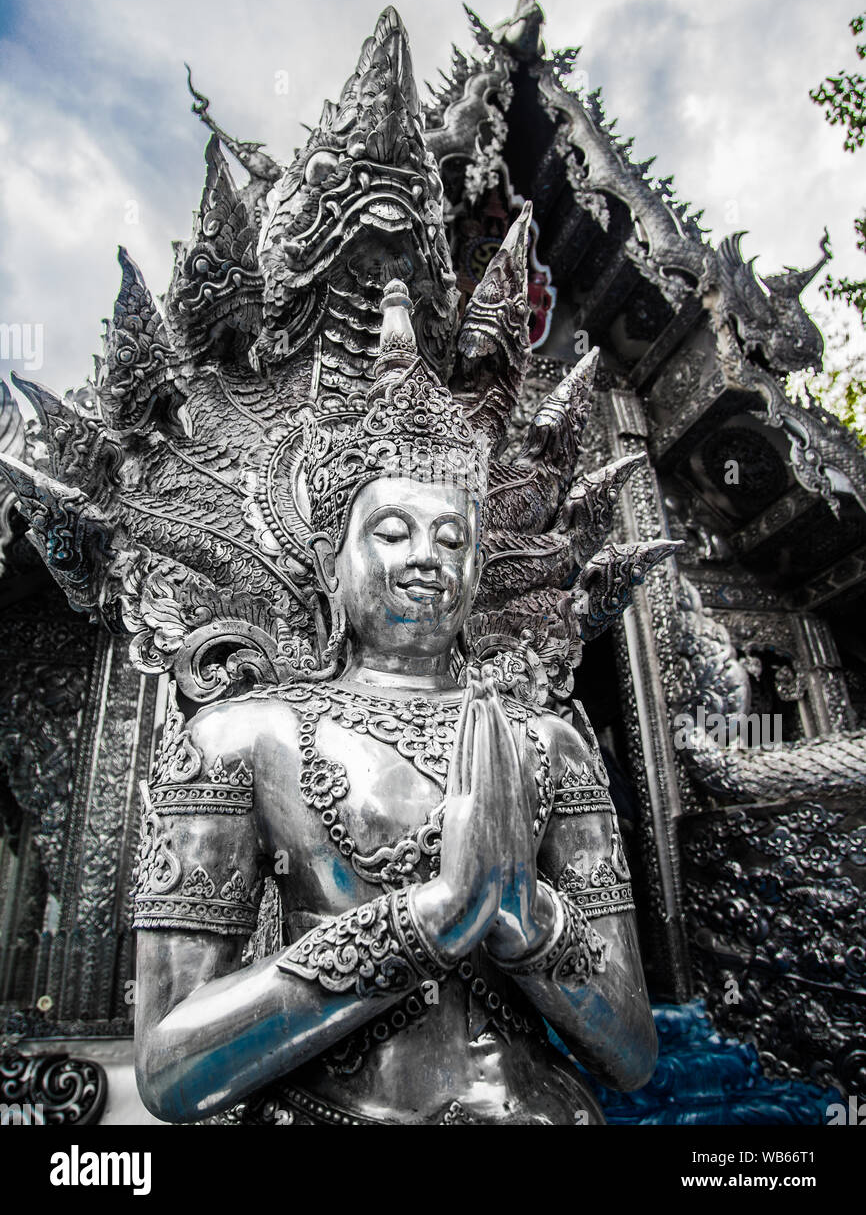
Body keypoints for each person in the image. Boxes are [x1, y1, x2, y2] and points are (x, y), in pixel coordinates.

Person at [132, 286, 657, 1126]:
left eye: (455, 538)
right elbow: (169, 1068)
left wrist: (529, 919)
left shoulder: (547, 742)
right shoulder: (242, 736)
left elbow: (632, 1053)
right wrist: (427, 920)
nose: (428, 558)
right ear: (330, 562)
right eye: (392, 531)